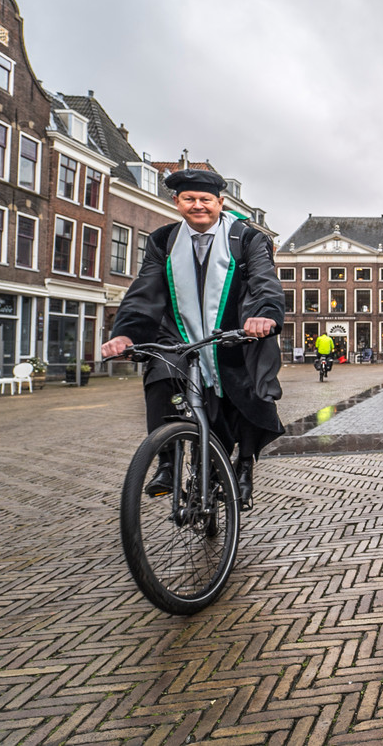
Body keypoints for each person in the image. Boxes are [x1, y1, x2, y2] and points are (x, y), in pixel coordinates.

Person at [100, 168, 284, 509]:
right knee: (161, 373)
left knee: (245, 398)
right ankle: (166, 463)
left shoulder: (246, 238)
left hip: (236, 331)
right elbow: (146, 289)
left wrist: (264, 314)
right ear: (177, 202)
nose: (198, 205)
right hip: (181, 331)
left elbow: (263, 279)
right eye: (189, 199)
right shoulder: (164, 240)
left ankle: (243, 467)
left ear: (220, 203)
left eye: (205, 199)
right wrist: (125, 333)